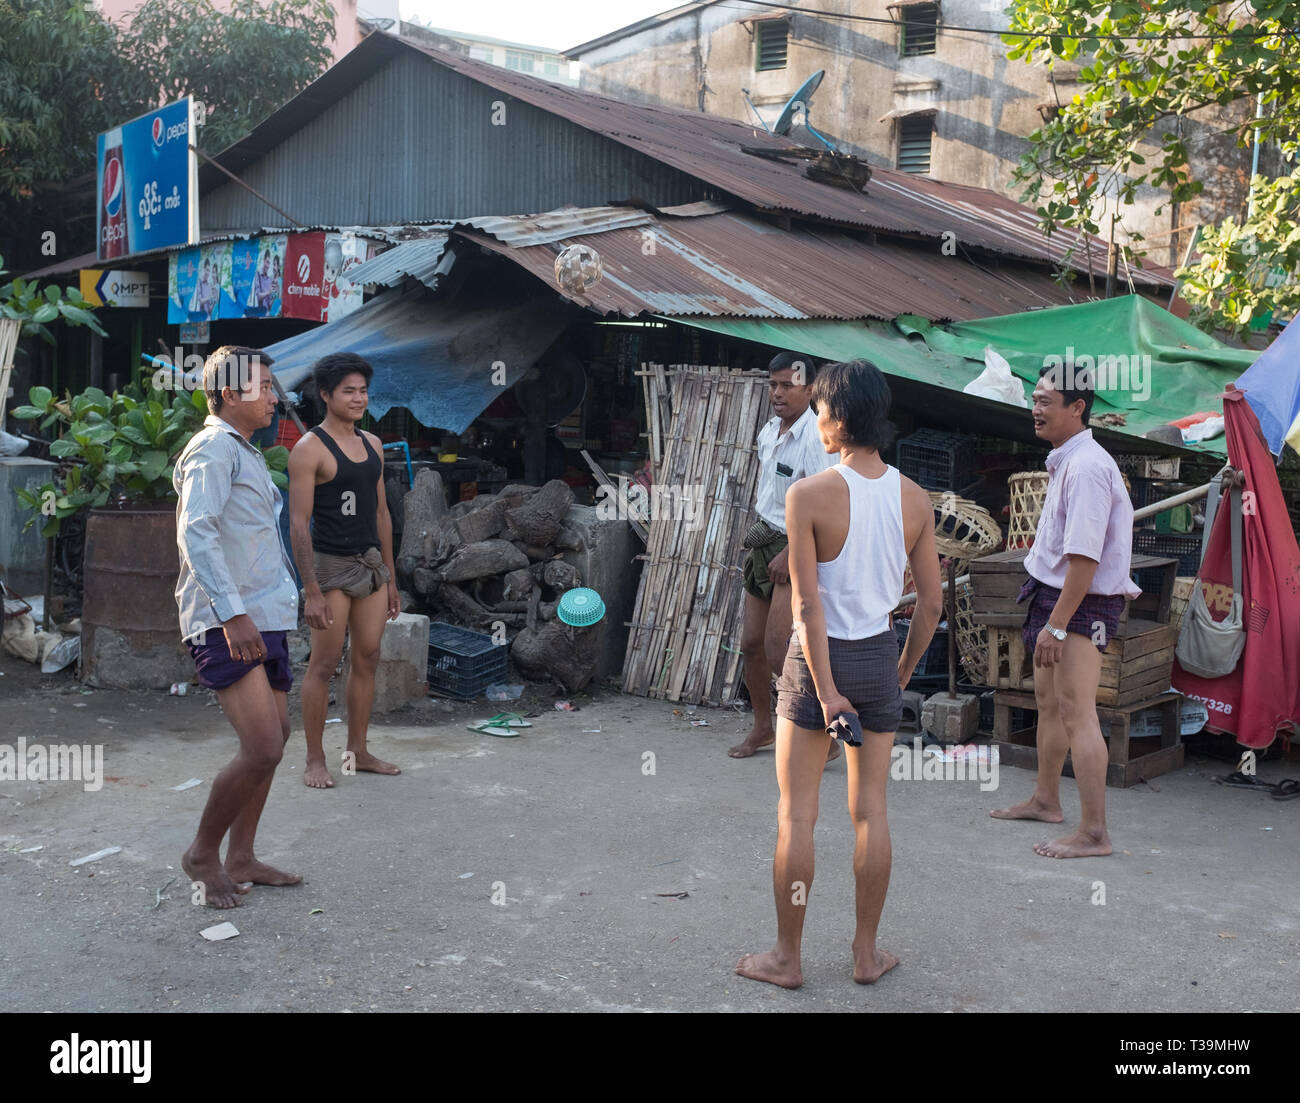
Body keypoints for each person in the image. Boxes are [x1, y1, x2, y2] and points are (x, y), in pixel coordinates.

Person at [736, 360, 942, 989]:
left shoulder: (809, 495)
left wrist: (826, 692)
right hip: (879, 658)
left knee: (797, 815)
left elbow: (804, 605)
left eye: (820, 408)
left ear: (840, 416)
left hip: (816, 668)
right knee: (870, 814)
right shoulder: (915, 499)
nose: (815, 419)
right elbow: (931, 605)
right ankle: (865, 954)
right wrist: (901, 672)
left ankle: (787, 958)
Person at [990, 364, 1137, 858]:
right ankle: (1046, 799)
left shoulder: (1090, 467)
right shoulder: (1066, 459)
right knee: (1050, 705)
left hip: (1080, 601)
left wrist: (1056, 624)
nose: (1036, 409)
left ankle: (1094, 833)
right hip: (1053, 592)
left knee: (1079, 712)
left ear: (1077, 408)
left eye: (1046, 401)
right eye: (1034, 400)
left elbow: (1085, 558)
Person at [176, 346, 302, 909]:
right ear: (231, 394)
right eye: (266, 387)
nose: (275, 397)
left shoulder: (244, 452)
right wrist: (231, 613)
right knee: (262, 746)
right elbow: (196, 533)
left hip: (263, 617)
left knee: (277, 739)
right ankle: (203, 853)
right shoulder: (211, 450)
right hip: (227, 619)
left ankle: (242, 855)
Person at [289, 352, 401, 790]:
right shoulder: (308, 449)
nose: (359, 399)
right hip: (330, 566)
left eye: (363, 391)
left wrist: (391, 576)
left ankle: (359, 750)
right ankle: (314, 759)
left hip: (370, 564)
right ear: (326, 395)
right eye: (348, 391)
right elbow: (299, 524)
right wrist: (310, 589)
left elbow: (382, 515)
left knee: (368, 655)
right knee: (323, 664)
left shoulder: (372, 444)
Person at [730, 351, 839, 760]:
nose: (778, 393)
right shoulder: (770, 429)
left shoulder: (816, 437)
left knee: (780, 650)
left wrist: (792, 551)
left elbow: (826, 504)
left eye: (787, 385)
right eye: (773, 384)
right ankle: (763, 727)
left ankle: (825, 728)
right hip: (766, 541)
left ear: (809, 390)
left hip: (796, 546)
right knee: (751, 645)